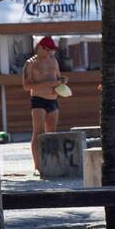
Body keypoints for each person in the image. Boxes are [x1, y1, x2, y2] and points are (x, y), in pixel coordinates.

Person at [22, 36, 65, 175]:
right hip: (38, 99)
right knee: (38, 132)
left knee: (51, 132)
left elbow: (58, 78)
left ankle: (51, 163)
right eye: (48, 50)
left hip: (53, 99)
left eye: (52, 50)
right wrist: (45, 84)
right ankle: (37, 166)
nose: (50, 53)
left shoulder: (54, 61)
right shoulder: (31, 63)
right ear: (40, 48)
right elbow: (26, 85)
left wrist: (62, 81)